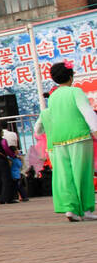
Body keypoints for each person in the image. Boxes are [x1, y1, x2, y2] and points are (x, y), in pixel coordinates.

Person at [36, 61, 97, 221]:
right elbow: (87, 112)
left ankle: (70, 209)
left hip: (58, 140)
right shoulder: (76, 92)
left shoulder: (53, 96)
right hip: (79, 137)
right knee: (82, 173)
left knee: (66, 175)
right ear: (71, 76)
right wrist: (95, 130)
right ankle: (86, 209)